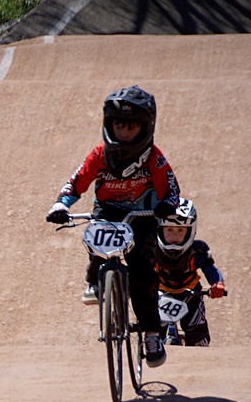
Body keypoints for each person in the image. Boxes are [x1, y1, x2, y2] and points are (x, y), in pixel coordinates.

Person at [46, 85, 180, 367]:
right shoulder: (100, 154)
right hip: (108, 210)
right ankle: (95, 278)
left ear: (145, 128)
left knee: (143, 275)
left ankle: (152, 335)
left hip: (143, 215)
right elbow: (77, 181)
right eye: (119, 126)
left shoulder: (154, 158)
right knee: (98, 236)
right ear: (109, 125)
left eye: (131, 127)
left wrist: (167, 205)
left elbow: (170, 188)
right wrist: (61, 205)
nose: (124, 134)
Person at [154, 198, 226, 346]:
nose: (174, 236)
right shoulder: (152, 249)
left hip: (191, 293)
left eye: (180, 230)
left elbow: (210, 269)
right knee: (153, 331)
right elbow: (141, 269)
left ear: (190, 230)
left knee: (197, 333)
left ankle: (199, 361)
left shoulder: (197, 251)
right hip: (160, 292)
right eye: (169, 230)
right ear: (160, 229)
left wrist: (217, 284)